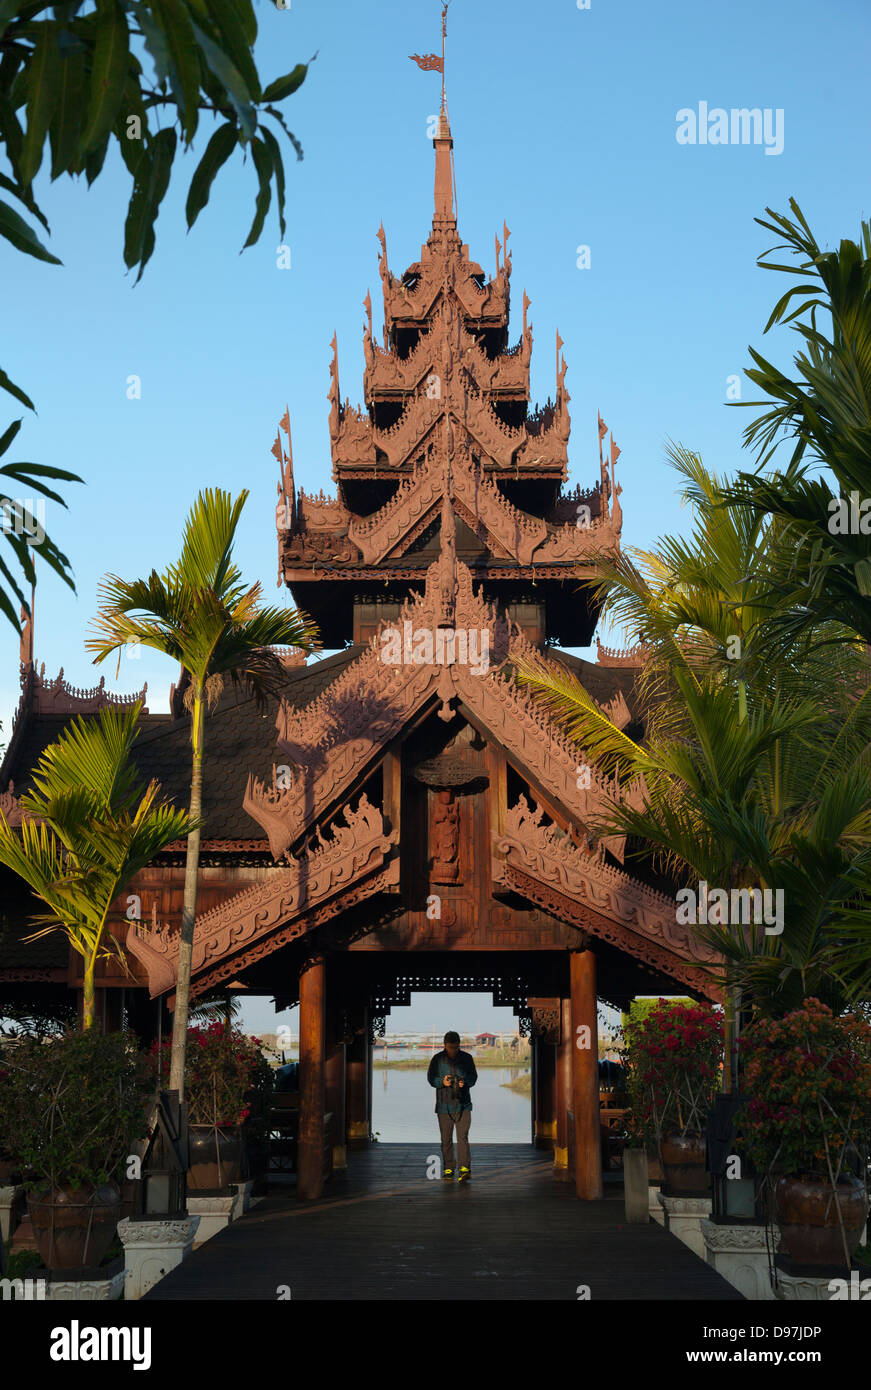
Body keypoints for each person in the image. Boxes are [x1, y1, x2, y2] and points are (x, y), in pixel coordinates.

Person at [426, 1029, 478, 1181]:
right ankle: (449, 1169)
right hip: (443, 1106)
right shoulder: (437, 1059)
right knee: (446, 1139)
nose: (453, 1050)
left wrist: (464, 1082)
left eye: (456, 1047)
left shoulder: (467, 1058)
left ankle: (464, 1169)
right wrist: (442, 1082)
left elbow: (473, 1078)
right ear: (445, 1045)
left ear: (459, 1045)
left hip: (464, 1105)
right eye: (450, 1047)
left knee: (463, 1138)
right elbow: (430, 1078)